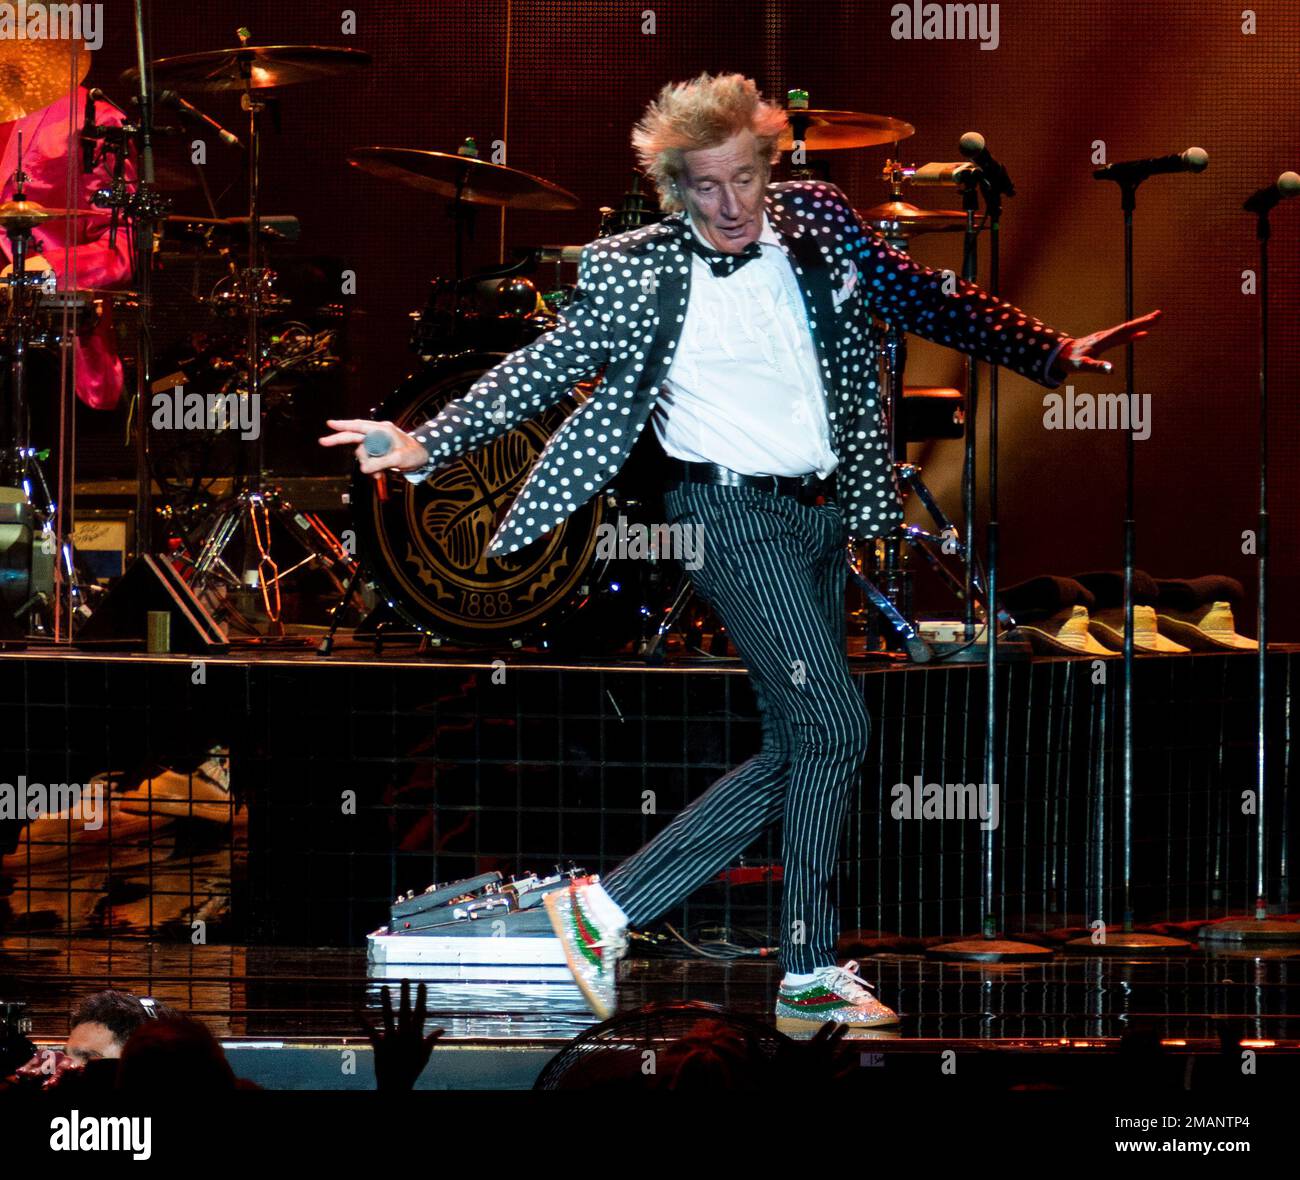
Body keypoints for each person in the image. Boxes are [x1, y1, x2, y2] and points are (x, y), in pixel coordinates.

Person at [320, 73, 1158, 1032]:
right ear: (676, 187)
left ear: (770, 168)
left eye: (744, 181)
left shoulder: (822, 223)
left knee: (803, 739)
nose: (728, 206)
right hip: (726, 516)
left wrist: (1045, 350)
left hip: (820, 513)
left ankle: (715, 947)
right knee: (836, 728)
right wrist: (428, 440)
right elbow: (541, 367)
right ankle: (658, 926)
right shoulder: (635, 269)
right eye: (705, 188)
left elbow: (926, 294)